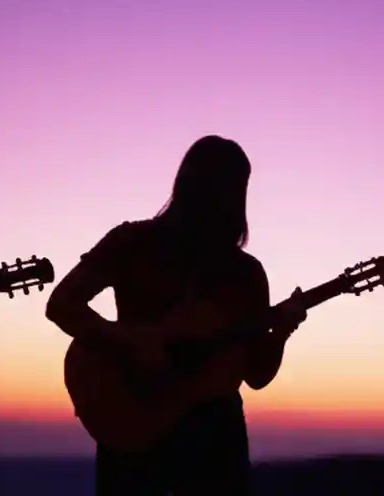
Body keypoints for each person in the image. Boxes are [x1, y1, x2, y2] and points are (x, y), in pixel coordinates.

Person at [46, 135, 307, 495]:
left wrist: (280, 331)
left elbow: (257, 373)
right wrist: (136, 341)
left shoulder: (245, 273)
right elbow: (61, 306)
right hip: (138, 420)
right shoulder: (132, 242)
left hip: (206, 433)